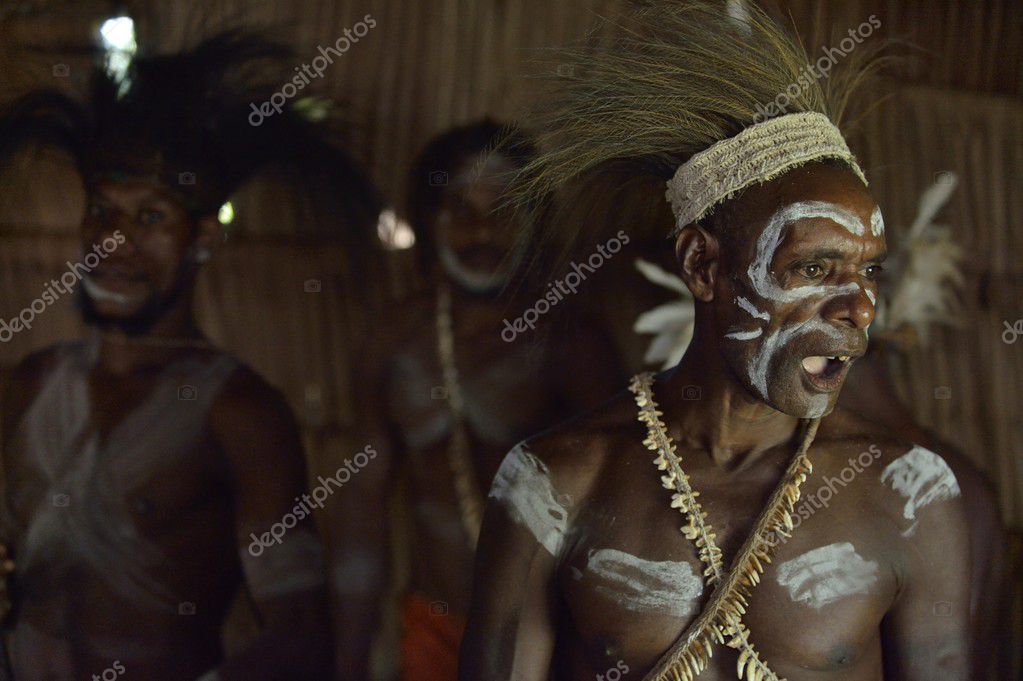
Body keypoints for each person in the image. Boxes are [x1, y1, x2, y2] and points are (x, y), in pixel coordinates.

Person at [461, 4, 972, 680]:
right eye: (813, 269)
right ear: (702, 265)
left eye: (869, 271)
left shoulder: (908, 496)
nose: (859, 308)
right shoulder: (553, 485)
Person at [0, 34, 351, 680]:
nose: (114, 240)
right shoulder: (30, 384)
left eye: (150, 217)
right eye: (101, 210)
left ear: (204, 239)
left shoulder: (238, 411)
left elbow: (301, 633)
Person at [349, 120, 625, 681]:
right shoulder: (393, 342)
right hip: (434, 626)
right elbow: (362, 506)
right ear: (428, 220)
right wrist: (349, 656)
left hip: (543, 636)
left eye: (505, 209)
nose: (482, 231)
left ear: (536, 223)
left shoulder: (571, 344)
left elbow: (618, 503)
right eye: (460, 210)